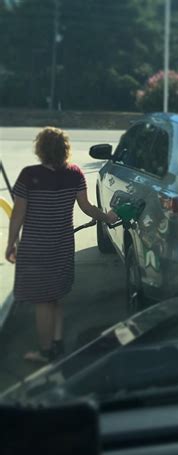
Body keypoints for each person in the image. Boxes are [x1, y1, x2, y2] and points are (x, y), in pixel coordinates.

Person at [4, 127, 118, 363]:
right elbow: (86, 207)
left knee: (42, 301)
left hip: (36, 246)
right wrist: (107, 217)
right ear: (65, 149)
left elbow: (18, 214)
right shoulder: (74, 174)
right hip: (63, 244)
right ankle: (57, 343)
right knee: (55, 295)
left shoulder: (28, 175)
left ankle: (46, 353)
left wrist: (11, 243)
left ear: (40, 149)